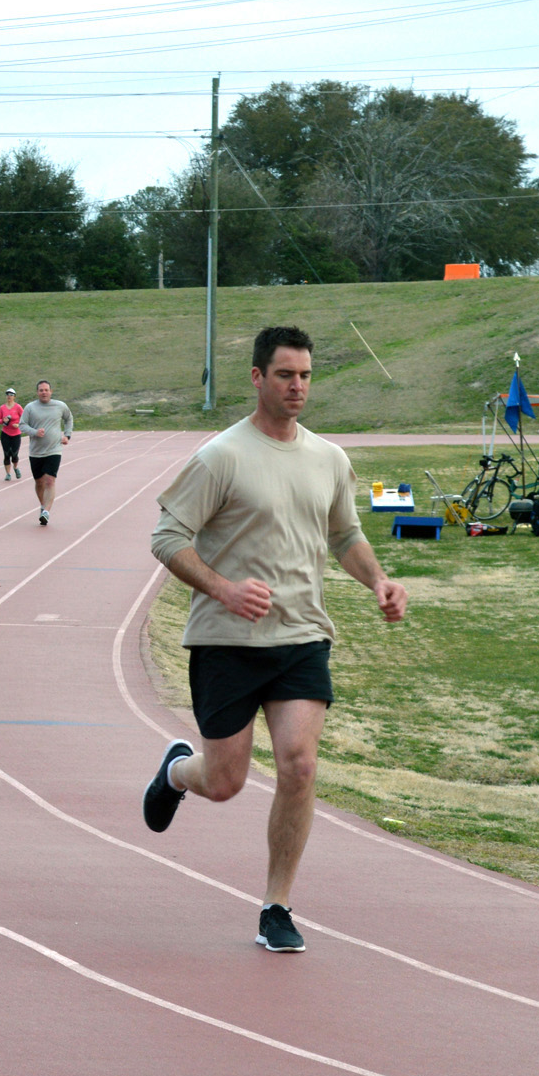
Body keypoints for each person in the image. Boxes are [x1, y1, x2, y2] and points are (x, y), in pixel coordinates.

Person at [142, 325, 408, 954]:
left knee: (300, 764)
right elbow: (167, 538)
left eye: (306, 375)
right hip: (227, 641)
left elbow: (344, 535)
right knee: (227, 781)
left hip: (301, 636)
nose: (298, 386)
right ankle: (179, 773)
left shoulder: (329, 458)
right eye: (285, 375)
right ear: (258, 378)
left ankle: (277, 906)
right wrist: (224, 589)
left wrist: (379, 581)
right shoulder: (221, 457)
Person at [20, 379, 74, 527]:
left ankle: (46, 512)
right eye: (41, 390)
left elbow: (69, 419)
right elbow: (22, 425)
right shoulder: (31, 407)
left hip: (54, 450)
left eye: (46, 390)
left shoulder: (60, 406)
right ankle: (43, 506)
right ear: (37, 392)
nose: (44, 392)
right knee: (39, 482)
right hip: (36, 452)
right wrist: (35, 432)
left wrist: (67, 435)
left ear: (51, 391)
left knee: (50, 480)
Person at [0, 386, 24, 480]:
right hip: (5, 433)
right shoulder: (2, 408)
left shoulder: (18, 407)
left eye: (11, 395)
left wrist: (18, 424)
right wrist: (2, 420)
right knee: (6, 453)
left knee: (14, 454)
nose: (9, 396)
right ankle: (8, 474)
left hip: (16, 434)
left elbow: (24, 418)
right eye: (8, 394)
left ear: (14, 396)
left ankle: (16, 467)